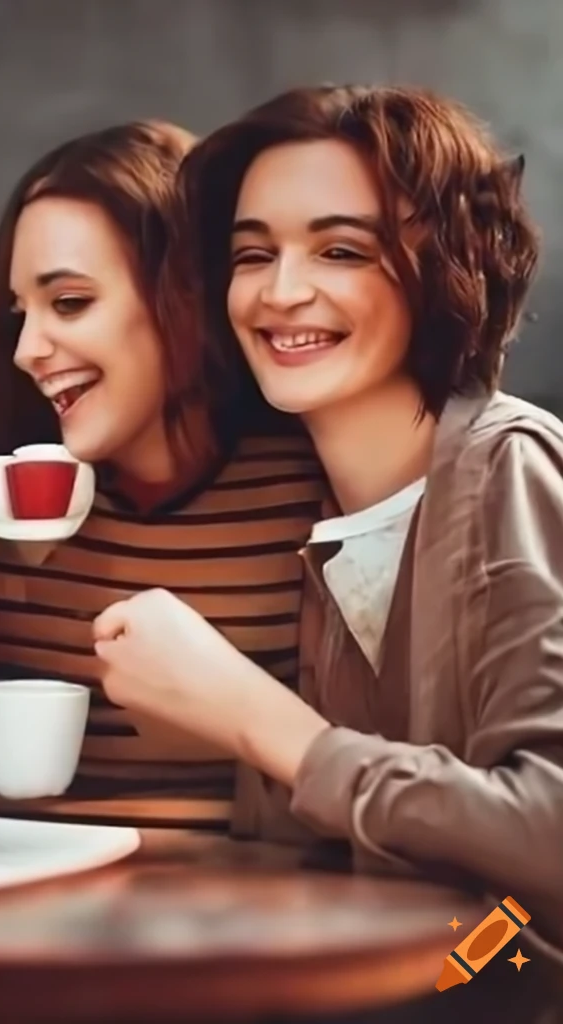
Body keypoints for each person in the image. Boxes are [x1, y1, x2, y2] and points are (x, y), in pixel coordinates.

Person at [92, 86, 563, 939]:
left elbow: (548, 841)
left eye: (341, 251)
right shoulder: (306, 519)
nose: (281, 292)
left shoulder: (510, 467)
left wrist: (257, 721)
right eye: (251, 254)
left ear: (448, 265)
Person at [0, 121, 328, 830]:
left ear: (185, 297)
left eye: (70, 302)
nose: (27, 350)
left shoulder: (317, 500)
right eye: (19, 313)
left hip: (249, 913)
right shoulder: (0, 505)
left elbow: (377, 784)